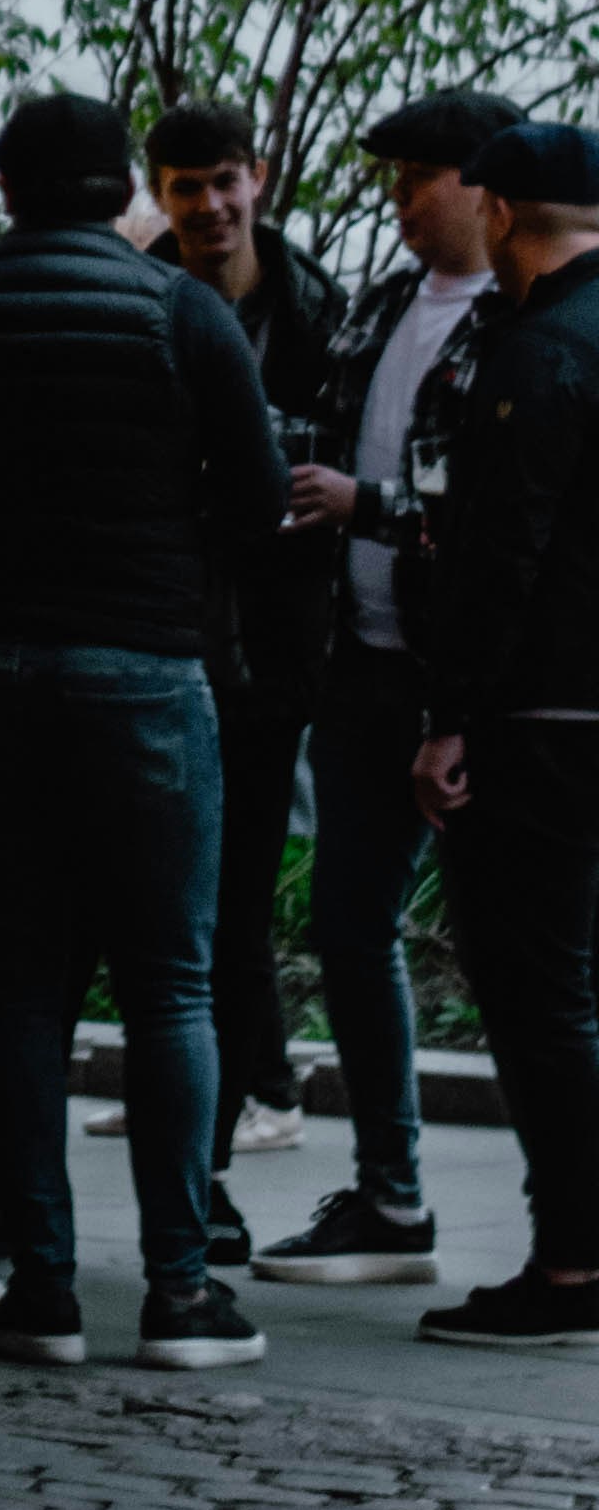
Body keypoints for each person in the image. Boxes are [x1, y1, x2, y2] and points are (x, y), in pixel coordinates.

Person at [0, 86, 289, 1371]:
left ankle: (38, 1290)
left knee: (18, 987)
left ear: (3, 189)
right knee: (169, 983)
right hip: (143, 671)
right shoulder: (181, 312)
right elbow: (262, 499)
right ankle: (177, 1293)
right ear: (122, 190)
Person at [251, 94, 505, 1287]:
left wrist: (373, 509)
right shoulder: (383, 306)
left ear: (484, 187)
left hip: (477, 683)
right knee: (350, 930)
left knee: (518, 954)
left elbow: (506, 513)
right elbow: (339, 438)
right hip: (360, 659)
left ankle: (565, 1211)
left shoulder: (529, 322)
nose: (400, 201)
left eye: (420, 178)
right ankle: (391, 1197)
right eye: (393, 178)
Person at [408, 119, 599, 1352]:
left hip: (540, 724)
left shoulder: (538, 352)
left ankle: (575, 1263)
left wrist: (448, 720)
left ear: (501, 212)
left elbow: (506, 552)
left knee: (539, 1001)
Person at [147, 95, 348, 1198]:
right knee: (178, 888)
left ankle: (224, 1111)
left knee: (233, 883)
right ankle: (223, 1092)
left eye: (225, 182)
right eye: (188, 189)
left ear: (256, 176)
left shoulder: (313, 306)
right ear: (160, 193)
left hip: (269, 648)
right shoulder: (144, 297)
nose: (212, 205)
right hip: (173, 631)